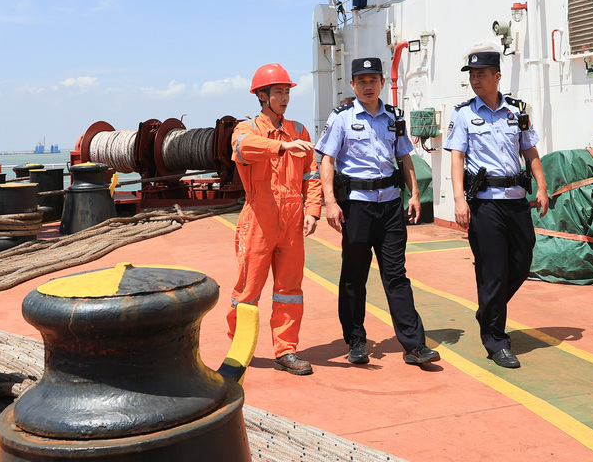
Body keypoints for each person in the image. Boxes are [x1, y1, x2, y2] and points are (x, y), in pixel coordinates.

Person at [316, 57, 441, 368]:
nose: (368, 86)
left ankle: (414, 344)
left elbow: (405, 158)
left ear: (382, 83)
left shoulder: (394, 118)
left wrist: (414, 195)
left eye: (373, 80)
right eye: (362, 81)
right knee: (354, 275)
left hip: (390, 207)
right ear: (353, 84)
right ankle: (356, 340)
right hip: (356, 207)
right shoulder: (342, 118)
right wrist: (330, 202)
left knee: (396, 275)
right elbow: (327, 160)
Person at [445, 50, 549, 368]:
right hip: (484, 203)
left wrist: (542, 187)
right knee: (492, 271)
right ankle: (496, 341)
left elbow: (529, 150)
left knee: (522, 260)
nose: (475, 80)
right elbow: (457, 158)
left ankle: (488, 310)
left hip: (516, 200)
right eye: (472, 75)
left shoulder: (518, 111)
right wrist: (459, 200)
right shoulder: (463, 114)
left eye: (482, 74)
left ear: (497, 76)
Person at [229, 63, 322, 376]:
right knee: (248, 289)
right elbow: (243, 148)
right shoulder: (246, 130)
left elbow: (311, 175)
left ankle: (286, 351)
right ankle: (239, 346)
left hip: (293, 218)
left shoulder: (300, 131)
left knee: (289, 288)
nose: (284, 98)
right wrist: (281, 145)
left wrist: (312, 210)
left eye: (287, 92)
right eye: (278, 92)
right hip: (259, 217)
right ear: (262, 95)